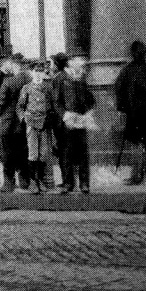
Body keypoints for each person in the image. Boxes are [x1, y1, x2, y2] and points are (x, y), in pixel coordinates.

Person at [115, 40, 146, 185]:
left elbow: (120, 91)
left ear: (133, 54)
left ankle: (137, 176)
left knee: (137, 143)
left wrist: (123, 109)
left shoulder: (128, 70)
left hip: (136, 114)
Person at [49, 53, 95, 194]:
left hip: (80, 121)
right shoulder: (60, 79)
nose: (81, 63)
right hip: (67, 123)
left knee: (83, 153)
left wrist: (88, 112)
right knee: (66, 153)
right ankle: (68, 183)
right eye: (77, 60)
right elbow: (56, 102)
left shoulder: (81, 78)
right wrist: (65, 115)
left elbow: (90, 99)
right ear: (70, 62)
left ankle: (84, 184)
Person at [0, 52, 31, 192]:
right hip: (24, 122)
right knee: (24, 151)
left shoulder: (9, 82)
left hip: (8, 123)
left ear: (14, 65)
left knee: (8, 153)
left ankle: (8, 183)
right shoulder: (29, 78)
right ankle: (25, 181)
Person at [16, 59, 56, 193]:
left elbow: (52, 106)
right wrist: (24, 119)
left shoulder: (48, 88)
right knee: (33, 154)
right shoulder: (26, 88)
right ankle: (33, 182)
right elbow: (20, 107)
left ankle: (40, 180)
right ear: (32, 73)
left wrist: (49, 119)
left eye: (40, 71)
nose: (38, 74)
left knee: (43, 154)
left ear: (44, 72)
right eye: (35, 71)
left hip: (44, 124)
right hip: (31, 124)